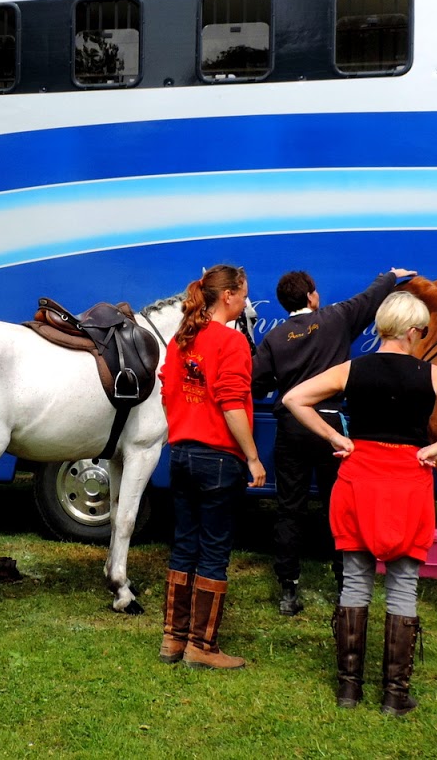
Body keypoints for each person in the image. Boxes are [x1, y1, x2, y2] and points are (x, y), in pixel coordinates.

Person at [284, 290, 437, 716]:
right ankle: (395, 695)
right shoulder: (430, 375)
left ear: (382, 326)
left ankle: (348, 689)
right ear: (415, 331)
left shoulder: (351, 369)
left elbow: (293, 399)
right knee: (402, 584)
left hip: (358, 477)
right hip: (407, 482)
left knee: (355, 581)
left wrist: (336, 437)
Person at [252, 267, 414, 615]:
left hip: (291, 426)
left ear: (284, 303)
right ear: (312, 296)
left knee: (289, 509)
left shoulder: (274, 339)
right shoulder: (336, 318)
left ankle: (288, 590)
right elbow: (369, 300)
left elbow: (257, 383)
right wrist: (390, 276)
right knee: (338, 507)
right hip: (332, 428)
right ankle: (345, 584)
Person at [157, 263, 266, 670]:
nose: (245, 300)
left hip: (182, 453)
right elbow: (232, 402)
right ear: (228, 296)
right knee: (214, 549)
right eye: (244, 293)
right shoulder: (231, 341)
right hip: (219, 457)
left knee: (184, 544)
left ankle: (174, 640)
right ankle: (202, 646)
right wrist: (253, 457)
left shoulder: (182, 337)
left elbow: (168, 390)